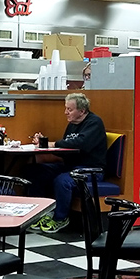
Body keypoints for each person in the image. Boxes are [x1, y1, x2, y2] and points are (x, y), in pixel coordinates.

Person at [28, 92, 107, 234]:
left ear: (82, 111)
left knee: (62, 181)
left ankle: (61, 218)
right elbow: (66, 148)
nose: (65, 113)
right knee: (37, 171)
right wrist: (44, 144)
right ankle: (41, 213)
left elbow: (81, 144)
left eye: (69, 109)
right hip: (71, 166)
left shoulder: (94, 123)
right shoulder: (72, 125)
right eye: (66, 109)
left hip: (92, 170)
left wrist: (52, 145)